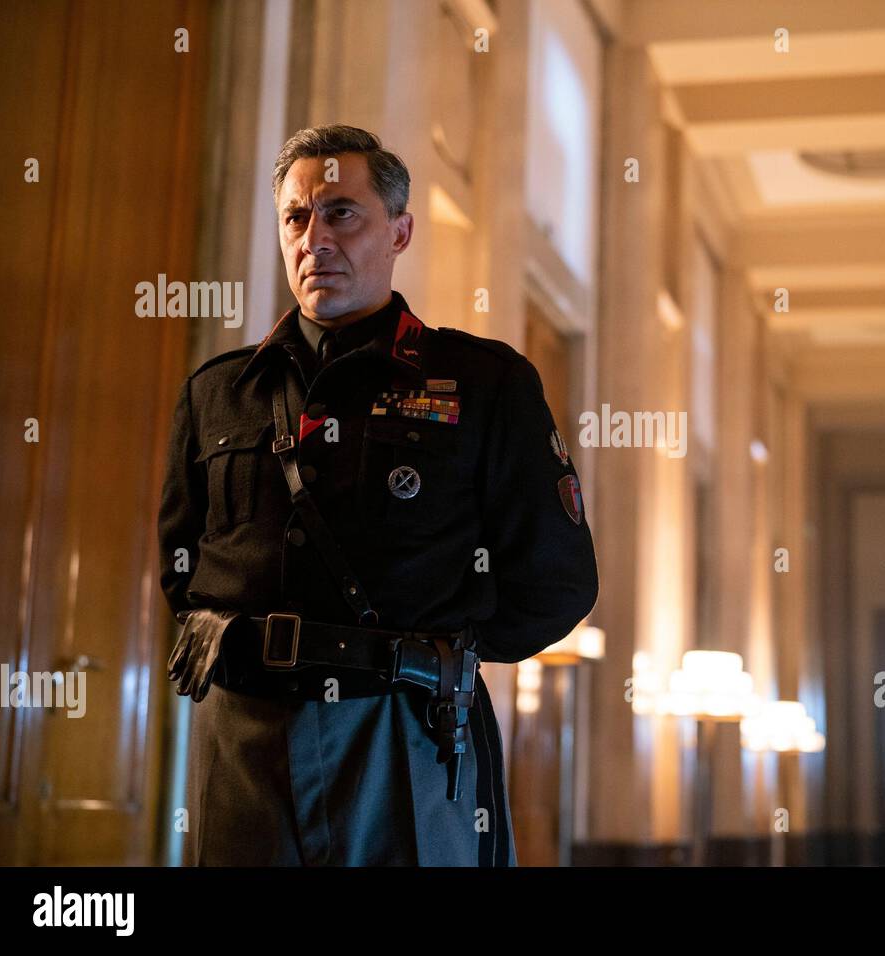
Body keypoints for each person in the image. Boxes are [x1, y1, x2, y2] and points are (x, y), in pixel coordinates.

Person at [157, 124, 598, 865]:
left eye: (341, 212)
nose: (315, 238)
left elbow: (556, 580)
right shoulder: (218, 393)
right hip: (243, 733)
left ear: (399, 231)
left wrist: (436, 658)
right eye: (296, 217)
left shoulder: (483, 383)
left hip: (404, 729)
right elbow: (179, 567)